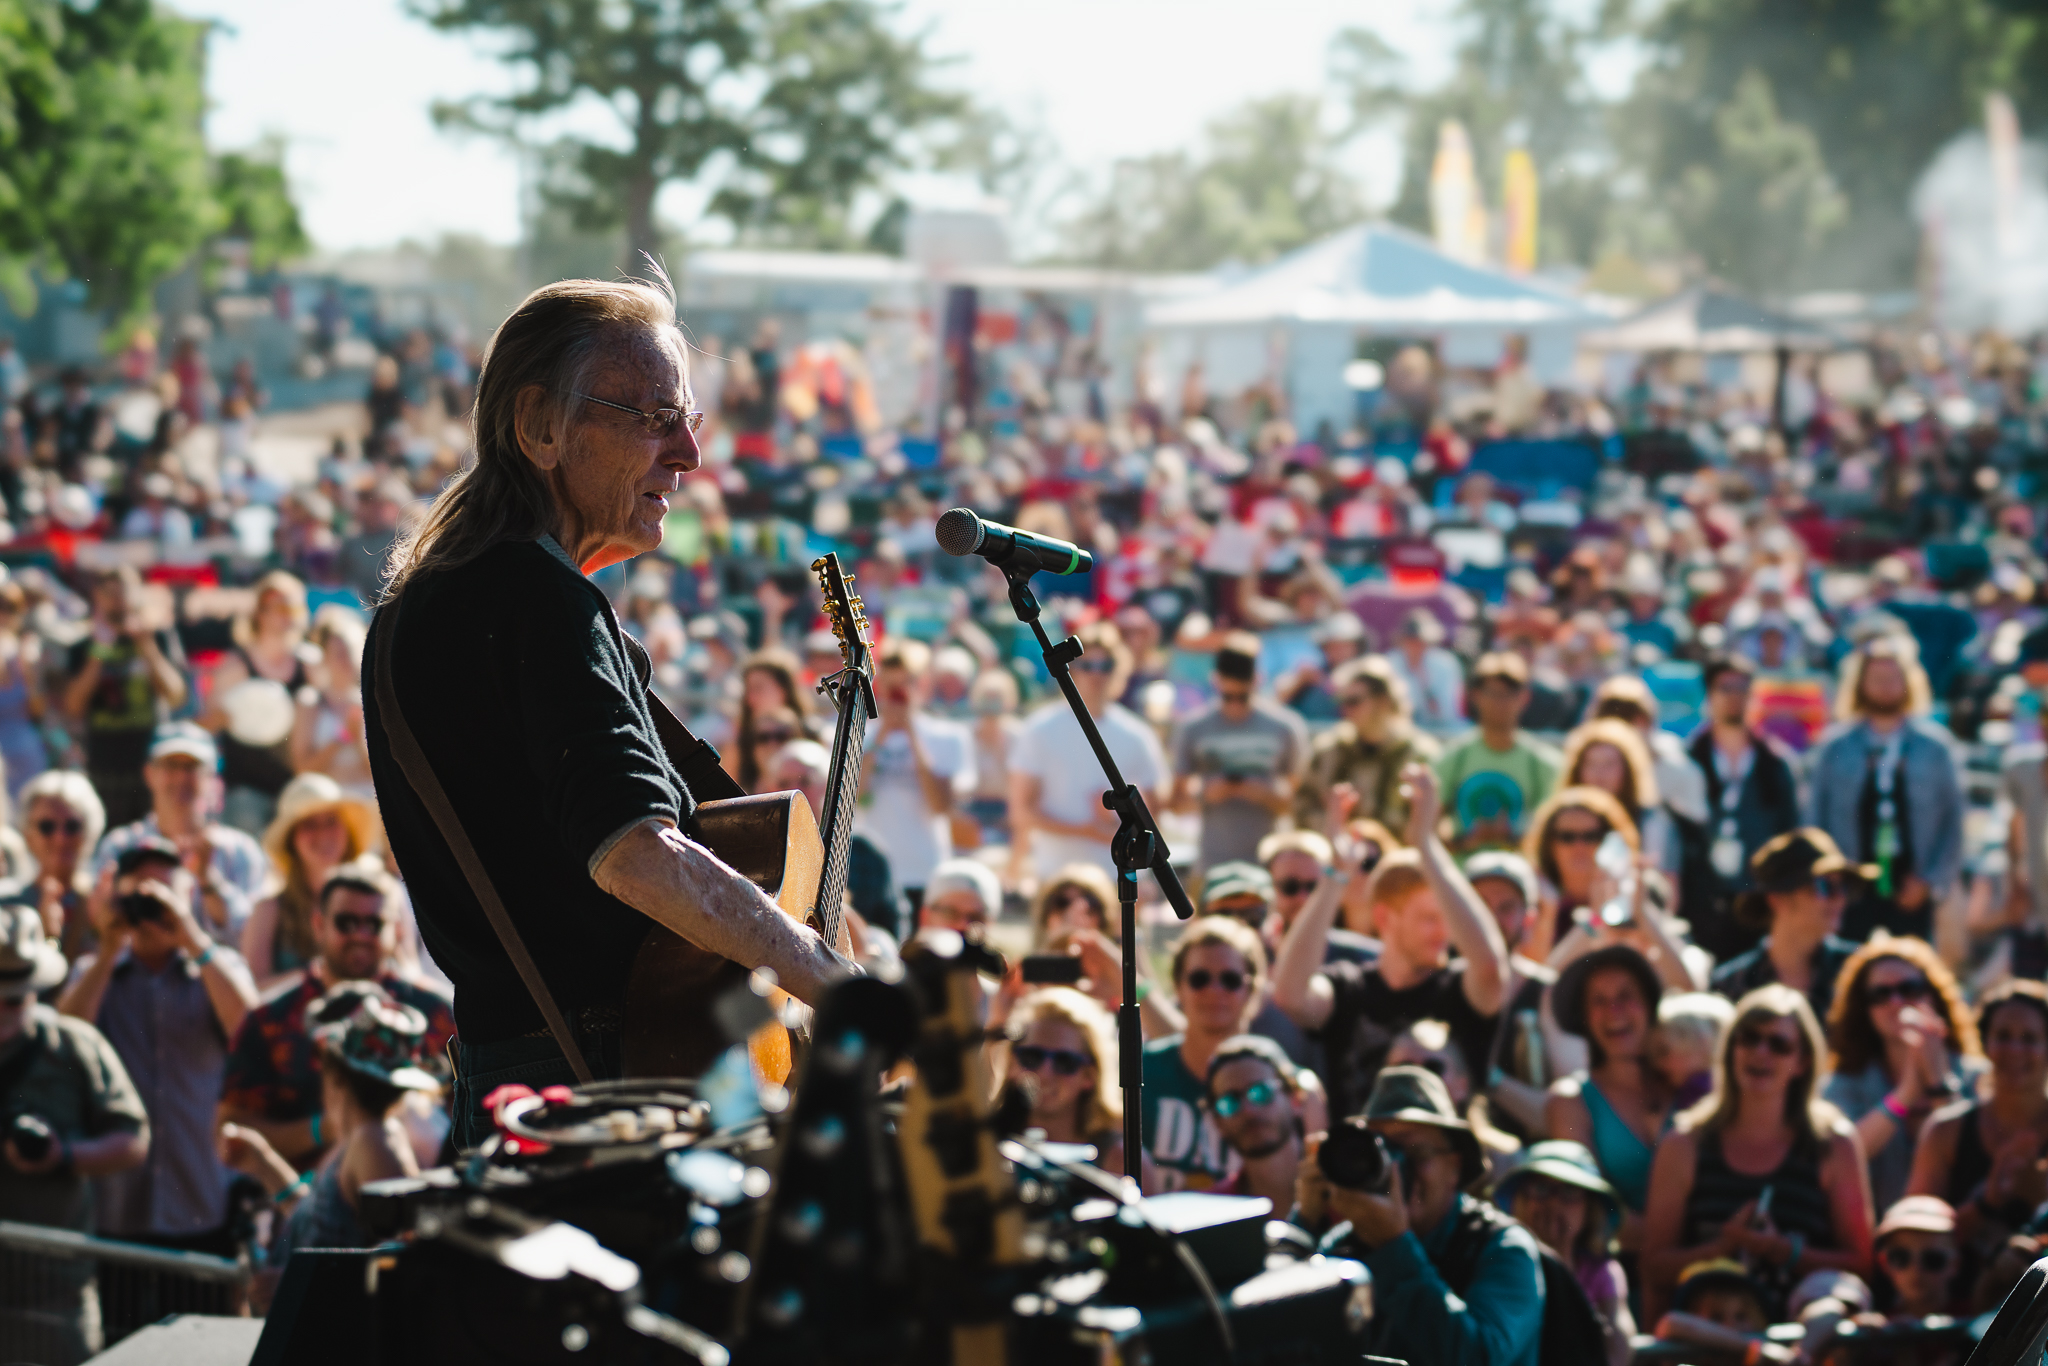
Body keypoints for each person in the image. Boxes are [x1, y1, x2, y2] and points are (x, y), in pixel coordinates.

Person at [363, 276, 850, 1148]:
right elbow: (634, 852)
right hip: (597, 1102)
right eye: (657, 418)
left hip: (527, 1087)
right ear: (540, 428)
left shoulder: (441, 599)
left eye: (690, 420)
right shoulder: (536, 601)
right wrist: (825, 976)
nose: (690, 455)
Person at [1274, 764, 1510, 1125]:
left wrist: (1427, 847)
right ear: (1385, 919)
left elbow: (1492, 967)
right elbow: (1290, 995)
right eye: (1430, 918)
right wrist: (1335, 876)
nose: (1445, 932)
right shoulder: (1348, 988)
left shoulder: (1460, 990)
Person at [56, 838, 259, 1255]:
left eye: (166, 893)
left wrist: (192, 937)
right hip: (116, 1203)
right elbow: (63, 1045)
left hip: (201, 1198)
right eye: (139, 894)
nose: (153, 909)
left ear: (189, 898)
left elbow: (251, 1033)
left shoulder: (219, 967)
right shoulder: (93, 971)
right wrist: (109, 948)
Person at [1640, 984, 1875, 1323]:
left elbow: (1860, 1267)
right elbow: (1654, 1267)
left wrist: (1782, 1251)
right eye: (1749, 1038)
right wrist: (1721, 1249)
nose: (1760, 1052)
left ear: (1802, 1062)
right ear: (1730, 1047)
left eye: (1779, 1044)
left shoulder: (1834, 1145)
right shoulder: (1684, 1143)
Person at [1305, 1066, 1548, 1366]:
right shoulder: (1343, 1247)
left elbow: (1480, 1358)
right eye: (1383, 1152)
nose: (1396, 1169)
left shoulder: (1503, 1248)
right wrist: (1304, 1221)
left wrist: (1393, 1248)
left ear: (1455, 1168)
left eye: (1416, 1152)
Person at [219, 867, 455, 1170]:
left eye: (374, 924)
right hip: (302, 1201)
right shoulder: (268, 1020)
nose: (360, 935)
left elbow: (471, 1108)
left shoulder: (435, 1012)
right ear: (319, 925)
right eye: (346, 923)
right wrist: (327, 1127)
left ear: (395, 929)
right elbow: (229, 1136)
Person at [0, 906, 148, 1366]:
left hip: (53, 1294)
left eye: (14, 998)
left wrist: (61, 1155)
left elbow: (132, 1140)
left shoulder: (73, 1045)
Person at [220, 984, 439, 1257]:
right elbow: (320, 1223)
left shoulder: (375, 1144)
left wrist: (286, 1283)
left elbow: (400, 1266)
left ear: (333, 1069)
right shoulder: (357, 1139)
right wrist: (262, 1161)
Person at [1808, 636, 1964, 944]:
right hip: (1849, 888)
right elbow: (1814, 816)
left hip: (1912, 884)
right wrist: (1830, 880)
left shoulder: (1935, 748)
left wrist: (1931, 880)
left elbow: (1953, 820)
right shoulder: (1835, 747)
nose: (1884, 686)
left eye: (1893, 678)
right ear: (1860, 683)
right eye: (1876, 679)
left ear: (1909, 682)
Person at [1823, 938, 1984, 1215]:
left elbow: (1971, 1160)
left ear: (1932, 997)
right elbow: (1840, 1160)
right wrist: (1905, 1095)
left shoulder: (1976, 1076)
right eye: (1880, 994)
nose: (1896, 1002)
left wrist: (1938, 1083)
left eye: (1909, 989)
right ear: (1864, 1008)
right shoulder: (1844, 1083)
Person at [1009, 621, 1167, 882]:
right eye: (1086, 665)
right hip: (1055, 876)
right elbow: (1021, 812)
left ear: (1120, 671)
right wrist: (1085, 831)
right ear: (1070, 670)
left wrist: (1121, 821)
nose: (1096, 674)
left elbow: (1155, 812)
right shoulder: (1039, 729)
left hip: (1120, 877)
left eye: (1106, 666)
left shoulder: (1138, 735)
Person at [1907, 980, 2048, 1255]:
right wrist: (1986, 1202)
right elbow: (1912, 1240)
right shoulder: (1944, 1130)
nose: (2015, 1049)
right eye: (2003, 1036)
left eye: (2030, 1039)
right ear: (1985, 1044)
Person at [94, 724, 267, 945]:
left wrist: (208, 880)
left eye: (192, 767)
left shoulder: (242, 850)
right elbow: (103, 929)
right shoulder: (119, 845)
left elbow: (251, 935)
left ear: (212, 777)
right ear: (149, 773)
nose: (181, 777)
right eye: (171, 765)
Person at [1546, 944, 1670, 1246]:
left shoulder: (1686, 1085)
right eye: (1598, 1001)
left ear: (1650, 1005)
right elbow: (1594, 1209)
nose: (1614, 1011)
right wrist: (1675, 1252)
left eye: (1626, 996)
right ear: (1585, 1018)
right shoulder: (1570, 1101)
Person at [1686, 654, 1802, 962]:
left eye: (1742, 688)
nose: (1735, 697)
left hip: (1758, 899)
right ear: (1710, 695)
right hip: (1701, 898)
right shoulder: (1688, 761)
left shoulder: (1776, 764)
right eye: (1726, 688)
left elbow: (1790, 831)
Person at [1142, 915, 1266, 1192]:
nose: (1215, 990)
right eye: (1199, 979)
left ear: (1252, 990)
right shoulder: (1139, 1071)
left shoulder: (1280, 1083)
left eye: (1230, 979)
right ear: (1178, 987)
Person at [60, 566, 188, 827]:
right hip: (104, 765)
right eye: (110, 593)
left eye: (124, 592)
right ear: (97, 596)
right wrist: (99, 651)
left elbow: (176, 696)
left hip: (151, 763)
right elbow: (72, 706)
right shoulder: (83, 646)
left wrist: (147, 647)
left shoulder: (157, 638)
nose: (118, 599)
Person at [1170, 631, 1306, 872]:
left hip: (1270, 864)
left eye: (1242, 697)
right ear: (1215, 682)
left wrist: (1264, 795)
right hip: (1212, 861)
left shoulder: (1285, 727)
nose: (1234, 705)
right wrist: (1208, 795)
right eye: (1227, 696)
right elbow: (1175, 803)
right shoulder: (1193, 728)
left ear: (1258, 681)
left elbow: (1302, 802)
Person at [858, 637, 974, 915]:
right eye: (891, 686)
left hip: (925, 872)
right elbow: (854, 798)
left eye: (906, 685)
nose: (897, 695)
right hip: (869, 873)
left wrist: (911, 733)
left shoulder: (948, 737)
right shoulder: (859, 737)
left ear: (922, 685)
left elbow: (941, 805)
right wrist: (883, 733)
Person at [1495, 1140, 1636, 1366]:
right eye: (1540, 1189)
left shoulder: (1602, 1273)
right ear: (1520, 1200)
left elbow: (1617, 1354)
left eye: (1569, 1192)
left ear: (1589, 1209)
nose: (1553, 1203)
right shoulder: (1498, 1262)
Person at [241, 773, 384, 989]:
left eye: (331, 821)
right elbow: (252, 991)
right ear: (291, 840)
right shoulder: (268, 910)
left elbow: (406, 968)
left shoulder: (384, 896)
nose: (323, 833)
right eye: (310, 824)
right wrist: (325, 974)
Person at [1710, 830, 1869, 1021]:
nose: (1840, 899)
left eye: (1843, 887)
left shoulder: (1860, 973)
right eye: (1824, 887)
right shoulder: (1729, 986)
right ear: (1778, 900)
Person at [201, 570, 312, 832]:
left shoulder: (310, 664)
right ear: (260, 612)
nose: (289, 613)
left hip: (298, 789)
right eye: (280, 605)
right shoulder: (236, 666)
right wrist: (223, 717)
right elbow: (207, 724)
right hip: (246, 789)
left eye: (295, 605)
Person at [1293, 655, 1441, 835]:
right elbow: (1302, 807)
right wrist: (1338, 830)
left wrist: (1380, 841)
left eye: (1354, 701)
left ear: (1384, 701)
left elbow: (1438, 819)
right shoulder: (1328, 750)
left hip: (1401, 858)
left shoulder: (1420, 754)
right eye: (1341, 702)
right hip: (1335, 856)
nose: (1345, 710)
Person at [1435, 652, 1559, 852]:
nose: (1501, 703)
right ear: (1476, 696)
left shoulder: (1546, 764)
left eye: (1509, 694)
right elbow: (1426, 830)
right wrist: (1465, 841)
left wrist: (1511, 837)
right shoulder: (1450, 758)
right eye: (1493, 693)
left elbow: (1555, 836)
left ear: (1524, 698)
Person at [995, 987, 1123, 1175]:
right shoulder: (983, 1148)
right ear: (1012, 1064)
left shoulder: (1120, 1163)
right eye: (1032, 1057)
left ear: (1089, 1076)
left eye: (1065, 1062)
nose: (1045, 1073)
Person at [6, 772, 106, 963]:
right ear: (28, 836)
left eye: (72, 826)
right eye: (47, 826)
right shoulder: (9, 905)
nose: (60, 838)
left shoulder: (103, 901)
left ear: (89, 831)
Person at [1204, 1033, 1307, 1208]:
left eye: (1261, 1092)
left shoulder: (1346, 1194)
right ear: (1217, 1122)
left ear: (1294, 1098)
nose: (1249, 1110)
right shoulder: (1211, 1213)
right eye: (1230, 1102)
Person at [1561, 718, 1676, 873]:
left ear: (1628, 770)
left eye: (1609, 764)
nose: (1599, 774)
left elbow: (1667, 886)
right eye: (1591, 764)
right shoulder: (1562, 819)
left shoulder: (1651, 822)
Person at [723, 648, 815, 795]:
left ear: (784, 689)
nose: (750, 698)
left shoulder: (813, 735)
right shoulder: (742, 740)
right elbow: (725, 794)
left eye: (759, 688)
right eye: (764, 738)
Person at [1868, 1196, 1963, 1320]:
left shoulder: (1981, 1321)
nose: (1915, 1269)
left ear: (1955, 1264)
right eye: (1900, 1257)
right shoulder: (1876, 1327)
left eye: (1932, 1259)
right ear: (1884, 1262)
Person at [0, 580, 49, 802]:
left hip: (25, 751)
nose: (3, 614)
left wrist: (29, 672)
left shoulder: (26, 651)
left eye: (9, 607)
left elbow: (38, 710)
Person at [1387, 608, 1465, 734]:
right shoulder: (1390, 663)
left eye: (1421, 640)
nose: (1417, 645)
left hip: (1443, 730)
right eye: (1411, 639)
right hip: (1402, 732)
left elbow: (1447, 713)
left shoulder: (1445, 664)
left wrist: (1423, 679)